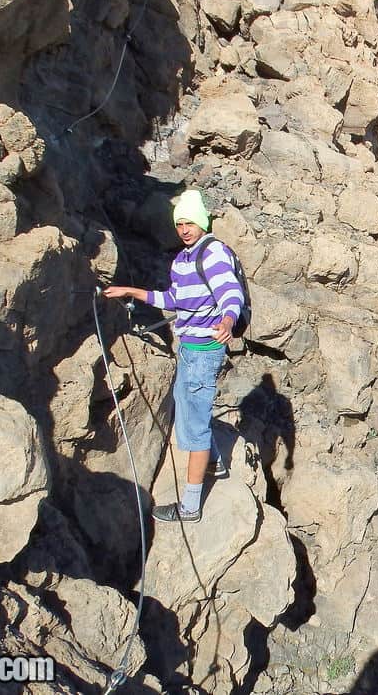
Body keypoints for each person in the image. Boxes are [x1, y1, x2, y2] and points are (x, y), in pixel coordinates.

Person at [104, 189, 244, 523]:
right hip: (189, 349)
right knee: (187, 406)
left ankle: (190, 507)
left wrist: (227, 320)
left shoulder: (212, 253)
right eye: (179, 223)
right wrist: (131, 291)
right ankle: (215, 461)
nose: (184, 229)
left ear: (202, 222)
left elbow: (231, 292)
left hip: (203, 353)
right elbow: (173, 300)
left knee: (194, 428)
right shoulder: (183, 259)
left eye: (189, 223)